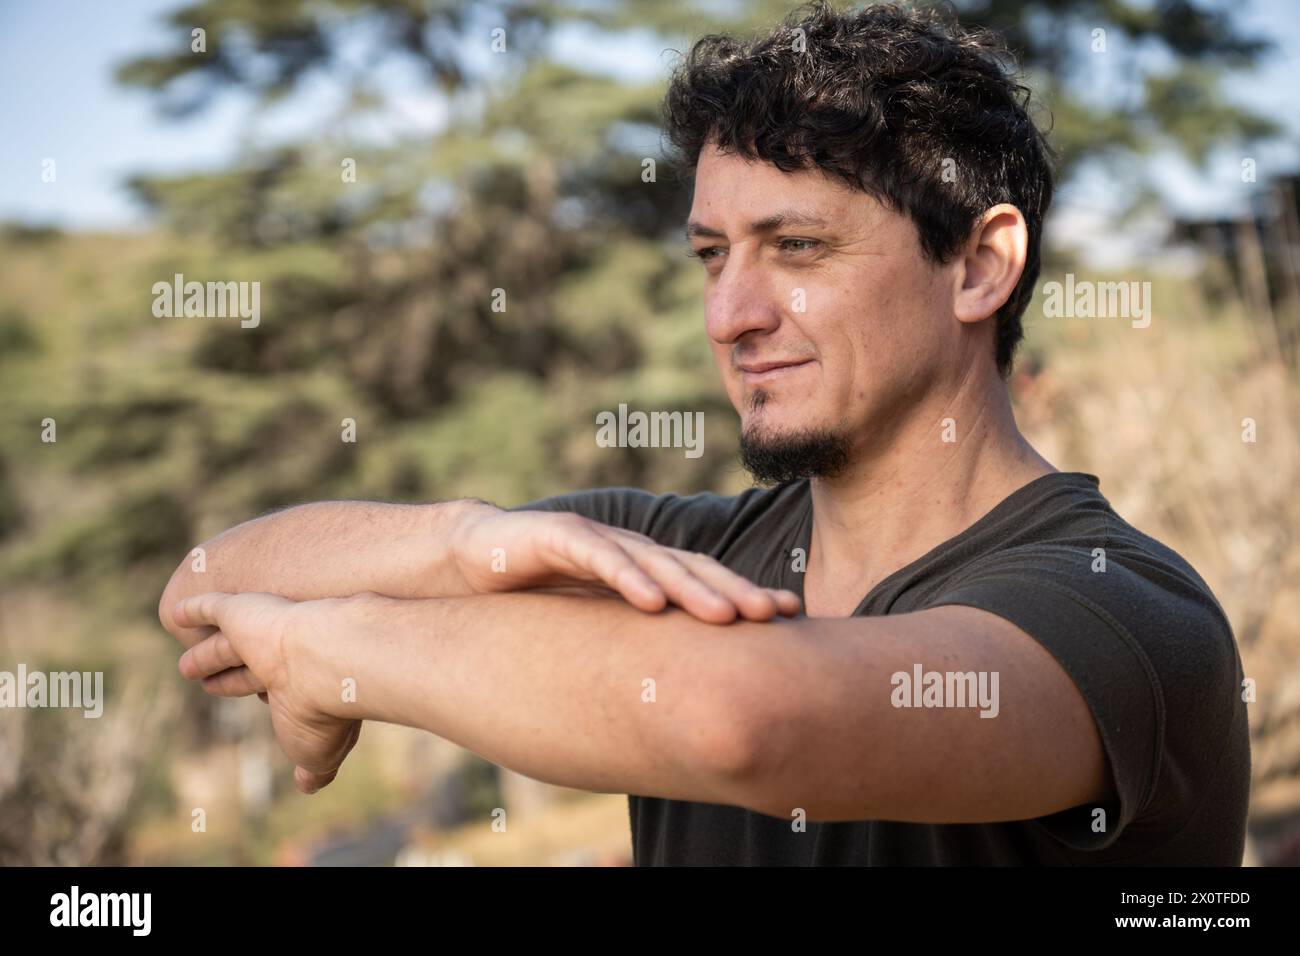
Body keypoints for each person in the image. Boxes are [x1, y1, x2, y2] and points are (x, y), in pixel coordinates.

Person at [159, 1, 1250, 865]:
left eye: (798, 248)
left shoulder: (1120, 613)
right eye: (709, 255)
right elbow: (208, 579)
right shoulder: (674, 558)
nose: (730, 314)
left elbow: (737, 719)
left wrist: (328, 655)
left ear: (978, 265)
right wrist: (461, 544)